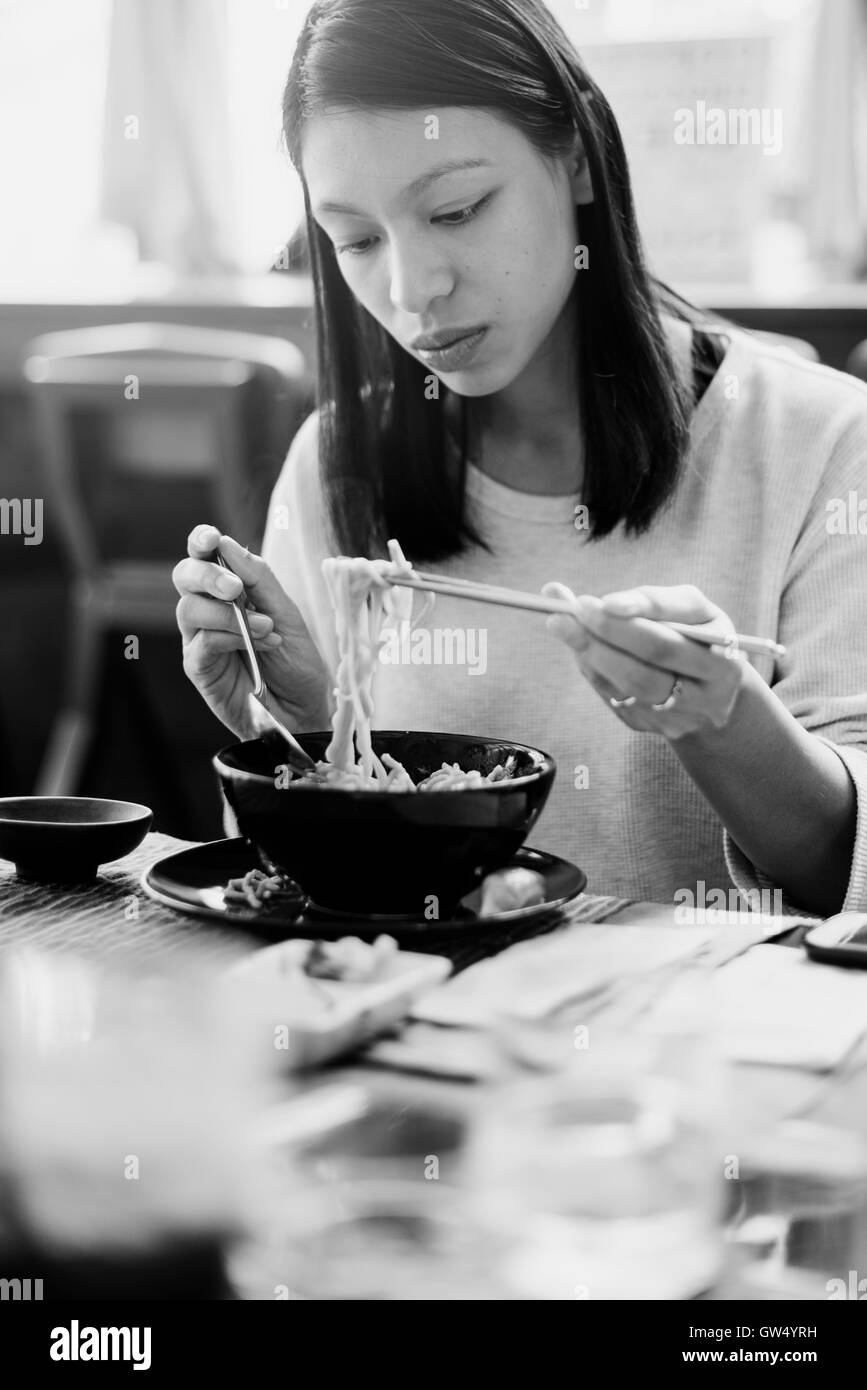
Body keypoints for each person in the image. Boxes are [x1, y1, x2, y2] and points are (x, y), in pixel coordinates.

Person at [173, 0, 867, 916]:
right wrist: (301, 733)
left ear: (575, 155)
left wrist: (723, 718)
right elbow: (329, 897)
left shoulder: (822, 442)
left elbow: (843, 883)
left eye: (457, 209)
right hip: (420, 1035)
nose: (412, 288)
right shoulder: (335, 461)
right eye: (357, 239)